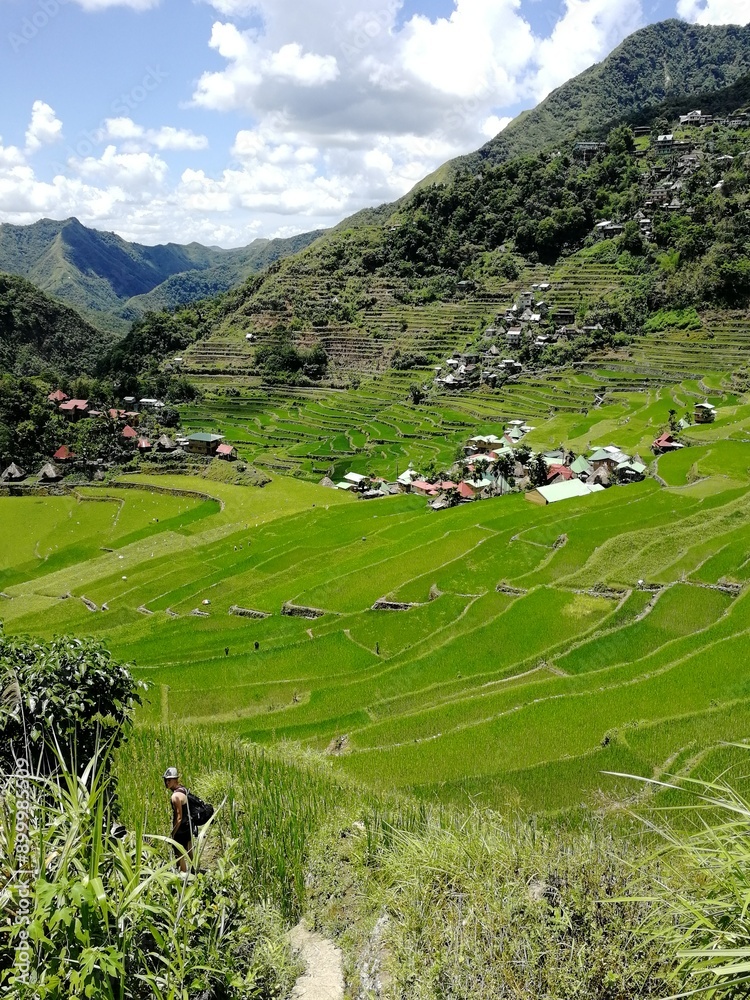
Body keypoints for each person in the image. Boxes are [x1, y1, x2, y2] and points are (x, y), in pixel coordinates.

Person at [163, 766, 192, 872]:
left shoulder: (175, 797)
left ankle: (183, 877)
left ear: (175, 780)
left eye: (169, 780)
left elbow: (178, 817)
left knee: (179, 855)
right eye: (165, 780)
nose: (167, 782)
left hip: (181, 829)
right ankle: (195, 872)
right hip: (188, 826)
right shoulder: (183, 789)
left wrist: (173, 833)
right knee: (190, 850)